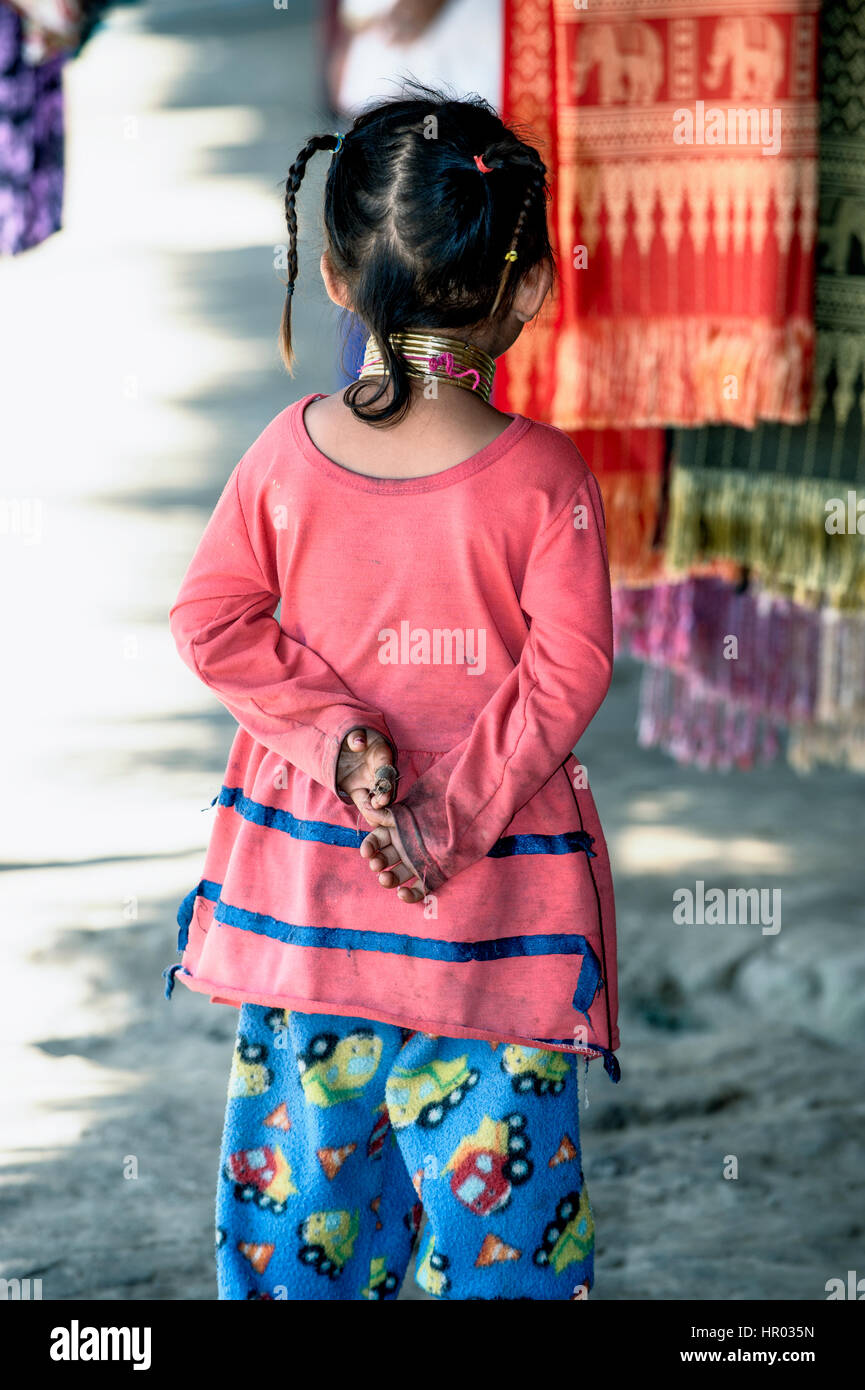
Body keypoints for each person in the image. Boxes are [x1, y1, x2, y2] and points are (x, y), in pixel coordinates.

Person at [166, 86, 620, 1302]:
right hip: (493, 939)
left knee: (305, 1228)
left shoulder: (287, 453)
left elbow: (211, 620)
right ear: (526, 290)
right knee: (500, 1244)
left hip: (310, 916)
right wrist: (450, 816)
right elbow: (569, 666)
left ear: (333, 274)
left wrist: (337, 737)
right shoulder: (546, 480)